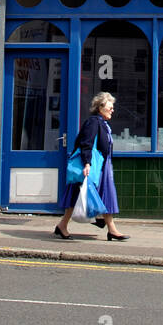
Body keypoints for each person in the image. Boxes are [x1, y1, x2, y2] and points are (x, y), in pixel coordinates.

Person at [55, 92, 129, 242]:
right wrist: (87, 163)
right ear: (101, 107)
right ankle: (64, 225)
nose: (112, 110)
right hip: (93, 166)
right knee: (80, 195)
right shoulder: (93, 122)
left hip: (101, 165)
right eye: (110, 107)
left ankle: (111, 229)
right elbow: (86, 144)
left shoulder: (103, 123)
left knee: (98, 196)